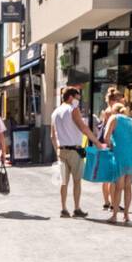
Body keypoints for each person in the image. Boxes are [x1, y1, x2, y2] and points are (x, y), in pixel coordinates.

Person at [51, 86, 105, 218]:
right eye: (77, 98)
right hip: (75, 151)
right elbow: (83, 127)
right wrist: (97, 142)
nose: (78, 101)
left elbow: (52, 136)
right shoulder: (72, 109)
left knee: (63, 182)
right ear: (70, 97)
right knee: (76, 181)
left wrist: (57, 151)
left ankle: (63, 209)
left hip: (61, 151)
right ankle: (76, 208)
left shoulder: (55, 112)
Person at [102, 102, 132, 224]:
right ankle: (126, 215)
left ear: (114, 111)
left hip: (120, 153)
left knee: (118, 187)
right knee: (128, 186)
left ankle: (114, 215)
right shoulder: (130, 120)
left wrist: (110, 146)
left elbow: (106, 136)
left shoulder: (113, 118)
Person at [98, 88, 123, 211]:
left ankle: (107, 202)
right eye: (119, 99)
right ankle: (114, 203)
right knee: (112, 177)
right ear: (113, 100)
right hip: (110, 145)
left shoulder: (106, 111)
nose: (121, 102)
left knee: (106, 177)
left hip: (104, 145)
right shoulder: (111, 113)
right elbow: (110, 131)